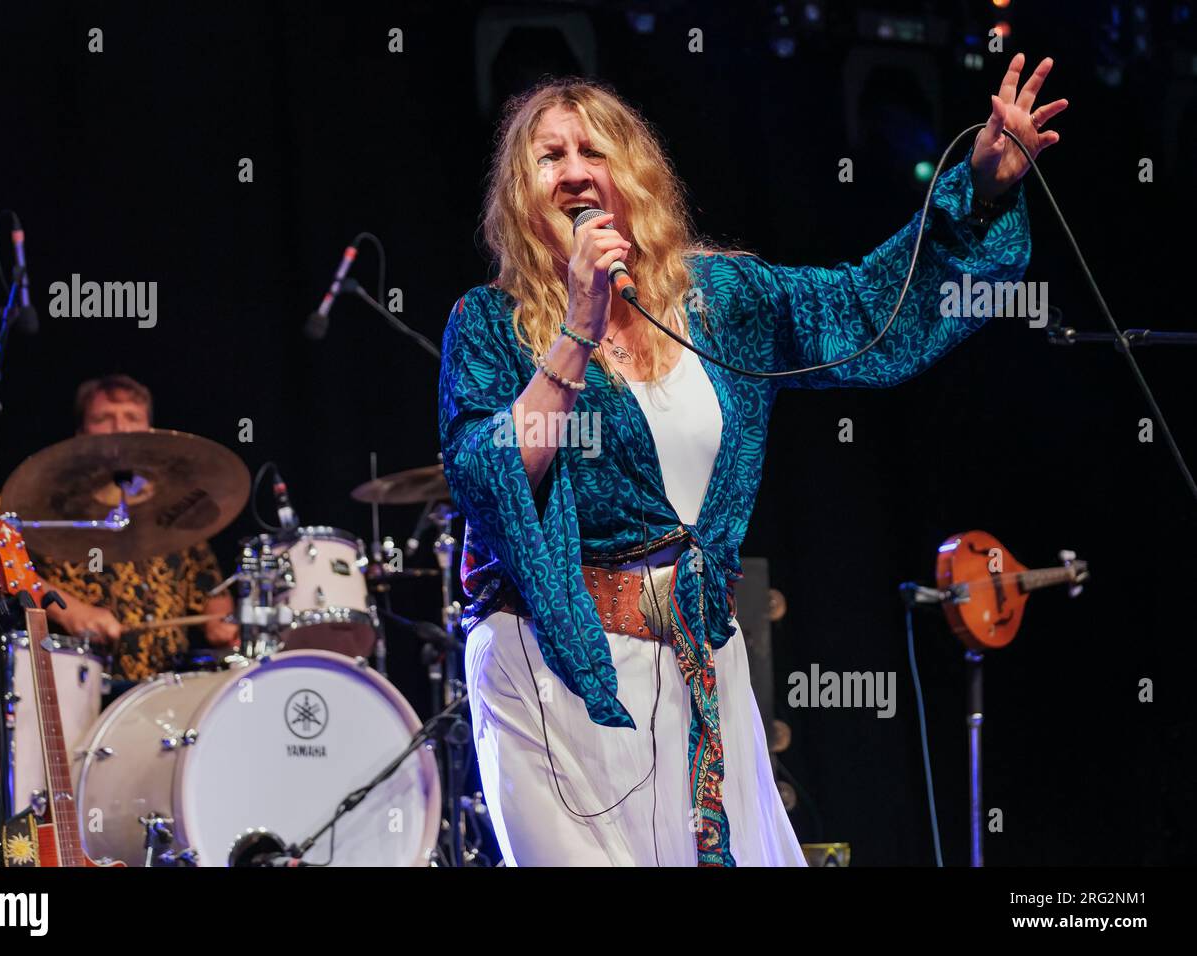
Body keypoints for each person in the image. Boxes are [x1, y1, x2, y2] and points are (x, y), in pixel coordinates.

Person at [438, 58, 1066, 866]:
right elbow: (486, 476)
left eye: (593, 151)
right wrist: (578, 327)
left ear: (633, 171)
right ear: (520, 195)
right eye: (548, 158)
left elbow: (865, 309)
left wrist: (975, 194)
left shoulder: (723, 300)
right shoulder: (490, 323)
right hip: (554, 674)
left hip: (700, 665)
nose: (573, 173)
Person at [0, 374, 239, 681]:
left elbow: (211, 588)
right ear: (81, 433)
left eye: (132, 417)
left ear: (150, 431)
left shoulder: (174, 503)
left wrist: (220, 623)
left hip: (166, 690)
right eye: (104, 418)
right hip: (74, 679)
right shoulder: (38, 495)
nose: (120, 428)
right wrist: (72, 611)